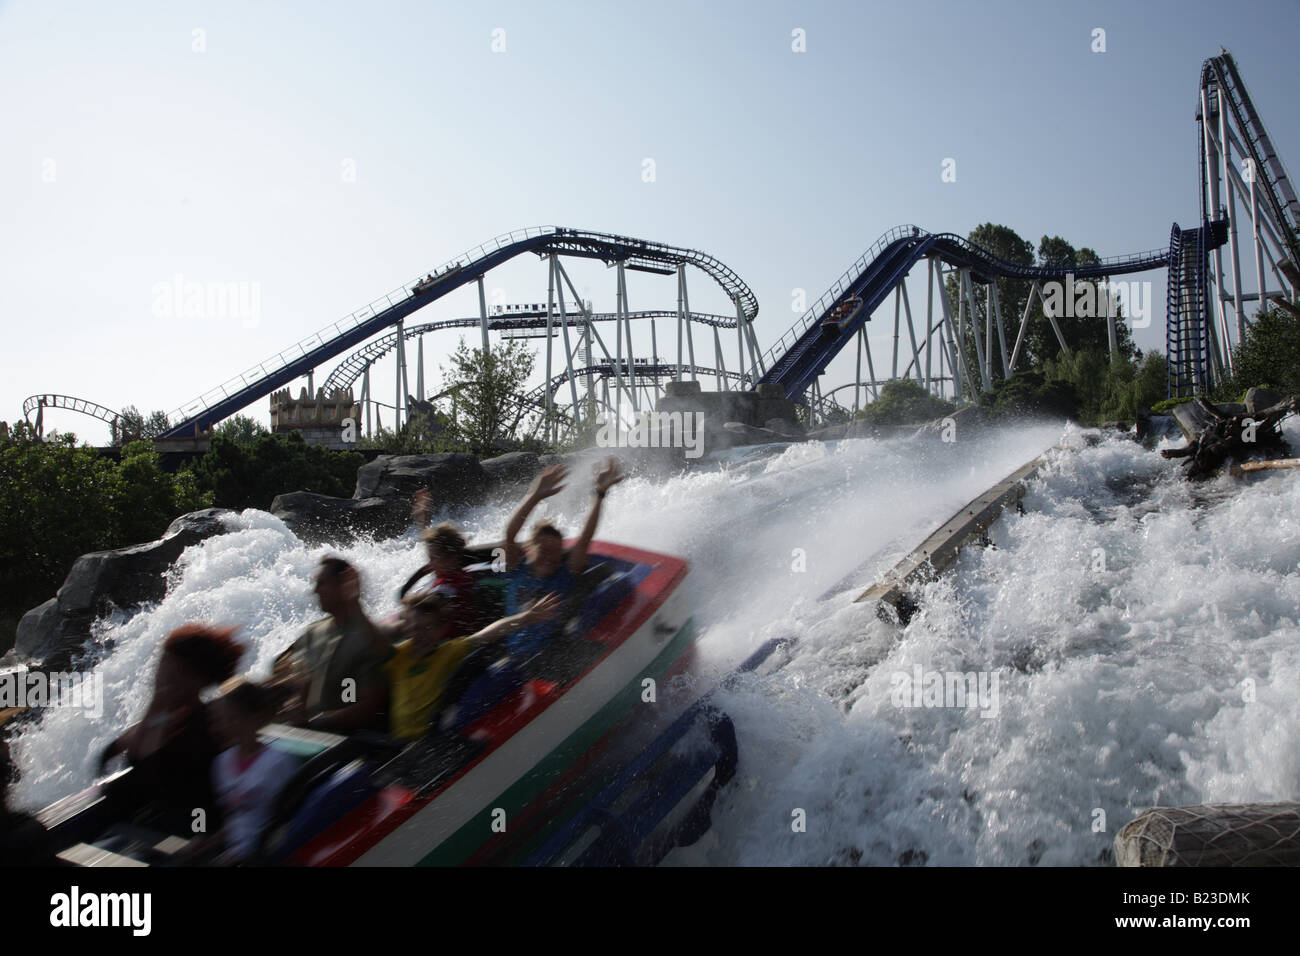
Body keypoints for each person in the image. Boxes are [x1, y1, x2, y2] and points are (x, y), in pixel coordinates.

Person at [97, 624, 244, 837]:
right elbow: (110, 757)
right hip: (140, 828)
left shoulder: (208, 726)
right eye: (162, 666)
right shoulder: (161, 718)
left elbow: (202, 805)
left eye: (173, 670)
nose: (163, 676)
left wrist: (199, 836)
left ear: (197, 678)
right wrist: (154, 709)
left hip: (185, 834)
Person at [377, 587, 563, 741]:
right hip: (396, 742)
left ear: (441, 630)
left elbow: (490, 633)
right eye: (416, 628)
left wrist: (527, 617)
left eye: (428, 628)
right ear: (406, 629)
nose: (421, 635)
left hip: (430, 740)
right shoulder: (398, 655)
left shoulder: (451, 650)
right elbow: (367, 639)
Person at [500, 457, 625, 660]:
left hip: (549, 653)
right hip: (514, 655)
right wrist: (534, 496)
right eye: (544, 549)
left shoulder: (564, 575)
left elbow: (584, 539)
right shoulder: (516, 568)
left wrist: (599, 493)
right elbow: (509, 534)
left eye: (556, 551)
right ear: (529, 550)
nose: (550, 556)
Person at [273, 557, 389, 733]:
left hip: (341, 741)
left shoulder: (364, 637)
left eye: (322, 584)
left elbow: (361, 703)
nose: (316, 591)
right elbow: (299, 682)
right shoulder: (313, 632)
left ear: (343, 586)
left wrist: (316, 724)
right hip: (303, 732)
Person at [205, 679, 299, 865]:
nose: (227, 726)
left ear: (256, 718)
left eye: (235, 718)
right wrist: (205, 844)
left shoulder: (278, 763)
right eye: (226, 719)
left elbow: (288, 823)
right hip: (234, 855)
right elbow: (237, 818)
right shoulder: (222, 762)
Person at [404, 489, 478, 637]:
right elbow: (433, 548)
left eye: (433, 559)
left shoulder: (452, 585)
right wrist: (421, 521)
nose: (430, 565)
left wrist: (406, 601)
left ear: (451, 558)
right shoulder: (452, 573)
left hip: (455, 644)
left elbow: (428, 602)